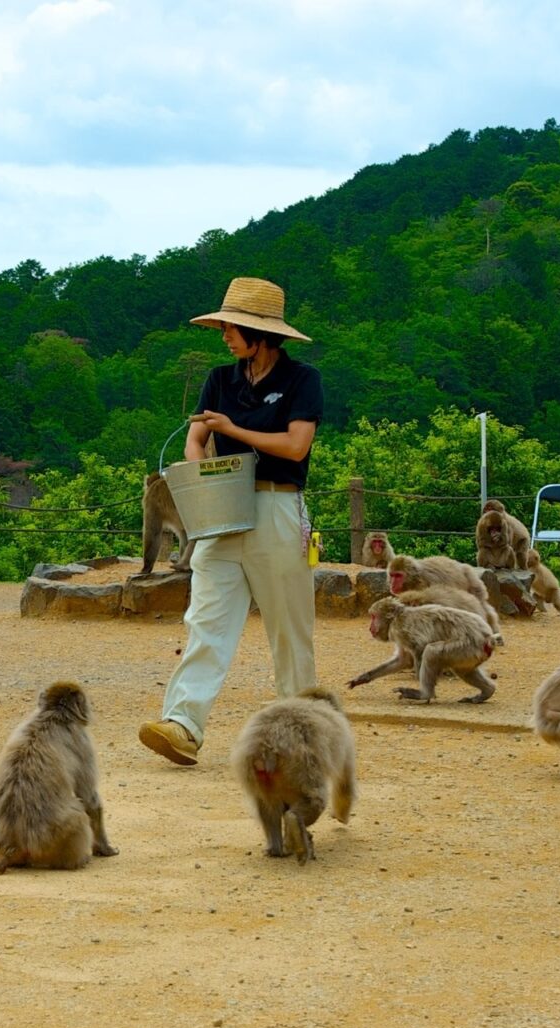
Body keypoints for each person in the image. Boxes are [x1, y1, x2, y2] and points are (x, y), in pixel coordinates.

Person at [139, 277, 322, 766]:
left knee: (288, 628)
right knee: (206, 619)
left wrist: (234, 431)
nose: (223, 334)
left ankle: (302, 733)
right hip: (223, 509)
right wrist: (202, 469)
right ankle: (183, 723)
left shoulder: (302, 380)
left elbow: (296, 446)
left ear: (258, 334)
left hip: (278, 507)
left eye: (230, 327)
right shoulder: (221, 379)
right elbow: (195, 438)